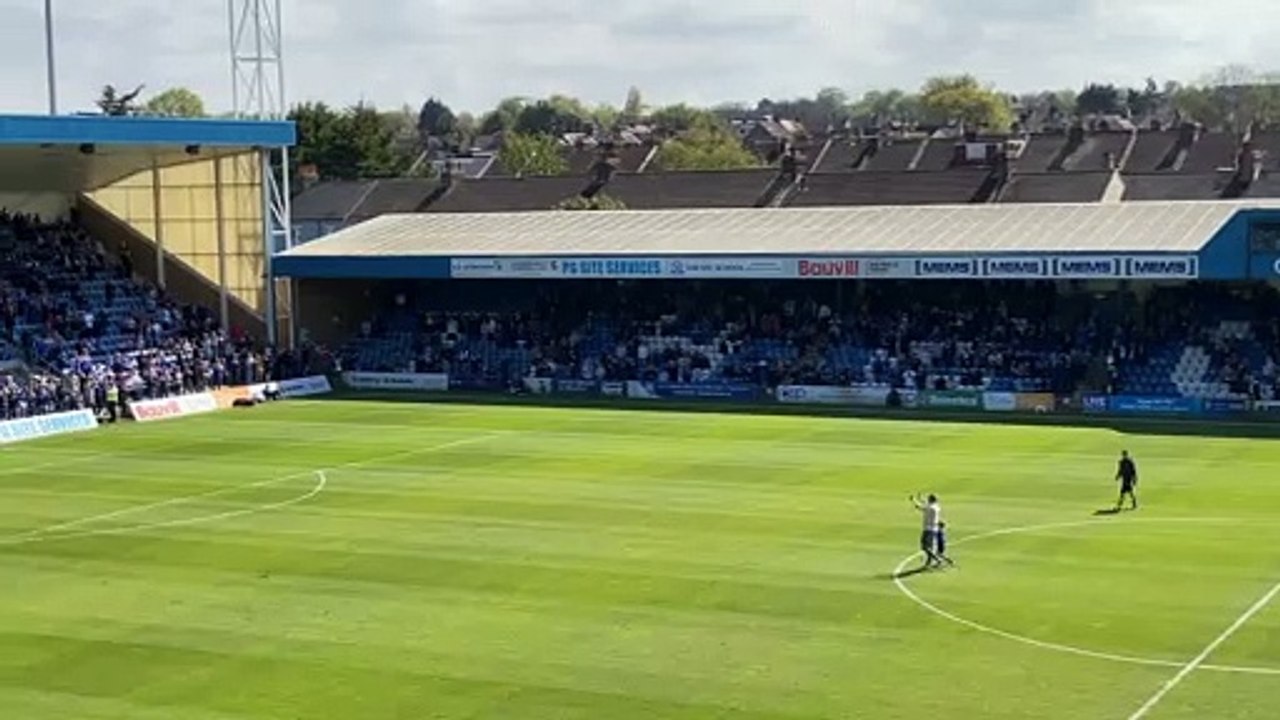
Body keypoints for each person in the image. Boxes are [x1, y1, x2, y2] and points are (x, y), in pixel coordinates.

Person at [910, 493, 943, 569]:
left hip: (928, 529)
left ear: (930, 500)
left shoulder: (930, 508)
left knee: (924, 547)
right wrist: (920, 498)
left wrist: (913, 500)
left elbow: (919, 507)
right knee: (929, 547)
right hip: (934, 529)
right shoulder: (936, 507)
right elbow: (926, 504)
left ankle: (938, 560)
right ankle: (928, 563)